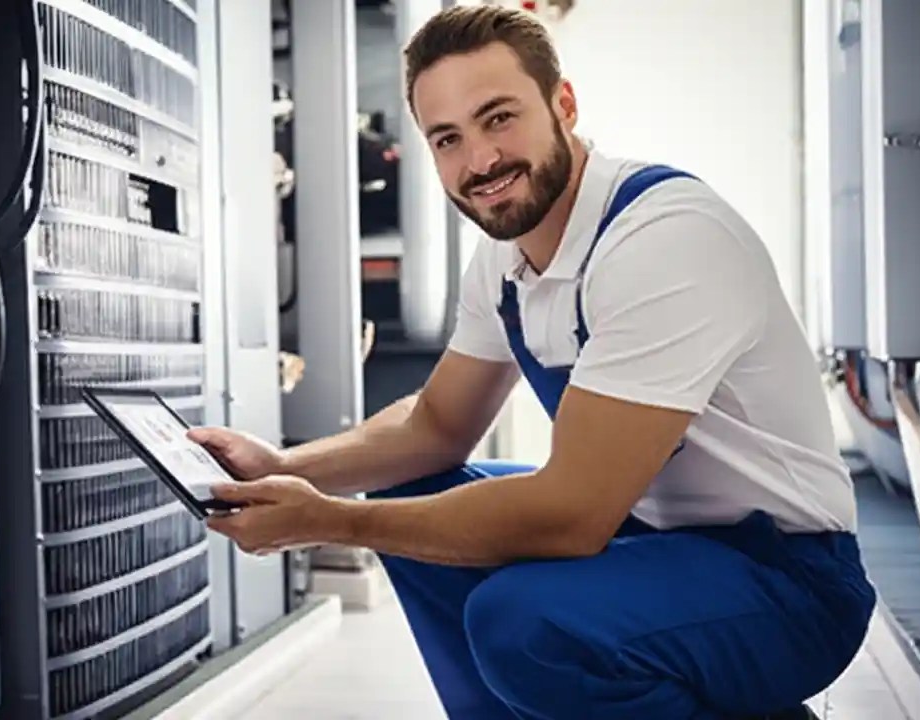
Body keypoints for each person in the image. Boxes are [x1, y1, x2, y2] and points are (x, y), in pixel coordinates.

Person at [190, 6, 875, 719]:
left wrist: (331, 522)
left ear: (563, 104)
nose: (479, 161)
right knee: (406, 487)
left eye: (499, 118)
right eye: (448, 138)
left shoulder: (664, 240)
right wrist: (282, 468)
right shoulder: (505, 261)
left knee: (526, 624)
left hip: (788, 583)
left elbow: (574, 515)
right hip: (654, 539)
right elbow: (435, 427)